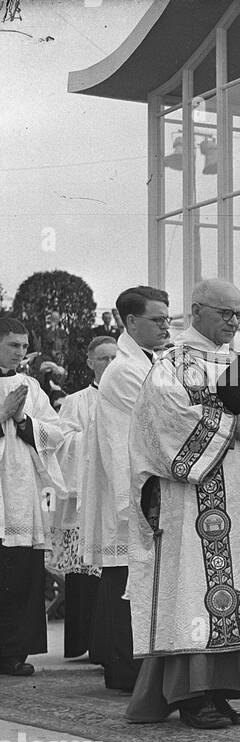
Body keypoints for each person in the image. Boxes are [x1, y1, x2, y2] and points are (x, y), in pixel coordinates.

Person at [124, 278, 240, 727]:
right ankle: (192, 695)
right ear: (196, 312)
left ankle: (223, 690)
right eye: (225, 314)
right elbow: (163, 421)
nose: (234, 323)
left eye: (239, 314)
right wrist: (233, 428)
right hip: (193, 499)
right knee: (197, 586)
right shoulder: (171, 365)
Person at [80, 286, 171, 692]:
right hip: (130, 488)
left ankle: (128, 665)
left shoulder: (150, 361)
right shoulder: (124, 370)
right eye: (157, 320)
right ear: (131, 322)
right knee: (123, 581)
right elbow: (159, 420)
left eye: (168, 319)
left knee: (129, 580)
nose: (166, 326)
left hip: (143, 483)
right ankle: (123, 669)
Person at [0, 317, 72, 676]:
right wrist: (1, 415)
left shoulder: (30, 385)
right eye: (14, 345)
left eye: (25, 346)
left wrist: (25, 422)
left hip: (20, 492)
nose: (21, 353)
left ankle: (14, 652)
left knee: (21, 571)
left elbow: (56, 431)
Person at [51, 335, 118, 659]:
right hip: (85, 493)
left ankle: (107, 646)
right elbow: (62, 442)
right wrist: (96, 436)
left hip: (116, 491)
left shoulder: (127, 395)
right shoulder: (76, 401)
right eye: (103, 358)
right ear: (90, 362)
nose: (109, 364)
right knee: (85, 570)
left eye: (113, 357)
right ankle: (83, 642)